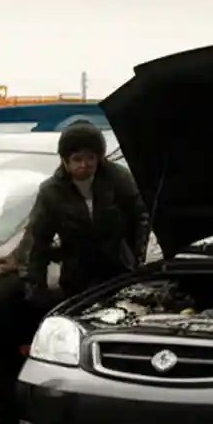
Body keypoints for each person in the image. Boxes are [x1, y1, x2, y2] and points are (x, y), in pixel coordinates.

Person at [21, 124, 149, 305]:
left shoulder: (118, 178)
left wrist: (135, 257)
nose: (84, 165)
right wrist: (36, 286)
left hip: (118, 272)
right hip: (77, 277)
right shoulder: (52, 191)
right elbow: (38, 239)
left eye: (90, 158)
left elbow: (139, 217)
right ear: (65, 161)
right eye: (77, 159)